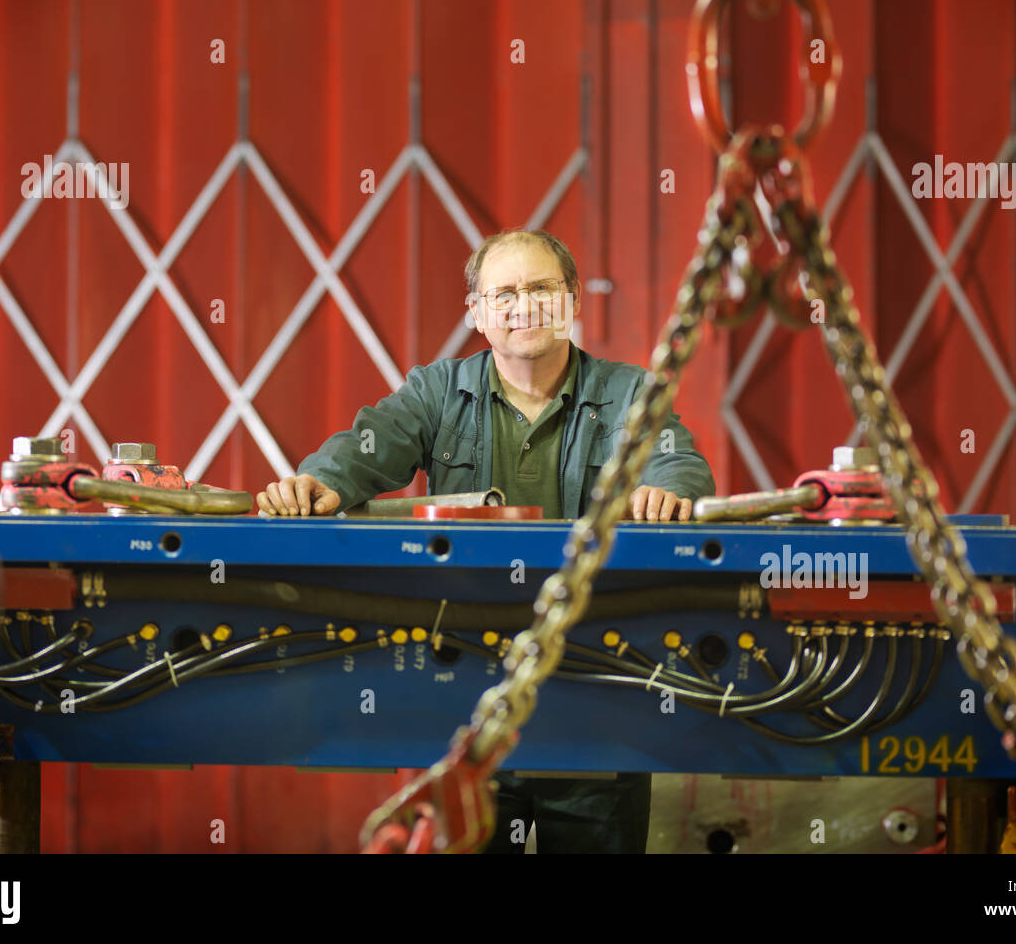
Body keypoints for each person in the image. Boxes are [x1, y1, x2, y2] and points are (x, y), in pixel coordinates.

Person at [258, 228, 715, 852]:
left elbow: (676, 459)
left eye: (541, 289)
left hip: (593, 681)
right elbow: (371, 441)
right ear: (476, 313)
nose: (522, 306)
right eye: (502, 293)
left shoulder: (629, 393)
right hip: (458, 684)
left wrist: (669, 490)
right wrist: (322, 482)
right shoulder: (436, 392)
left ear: (574, 301)